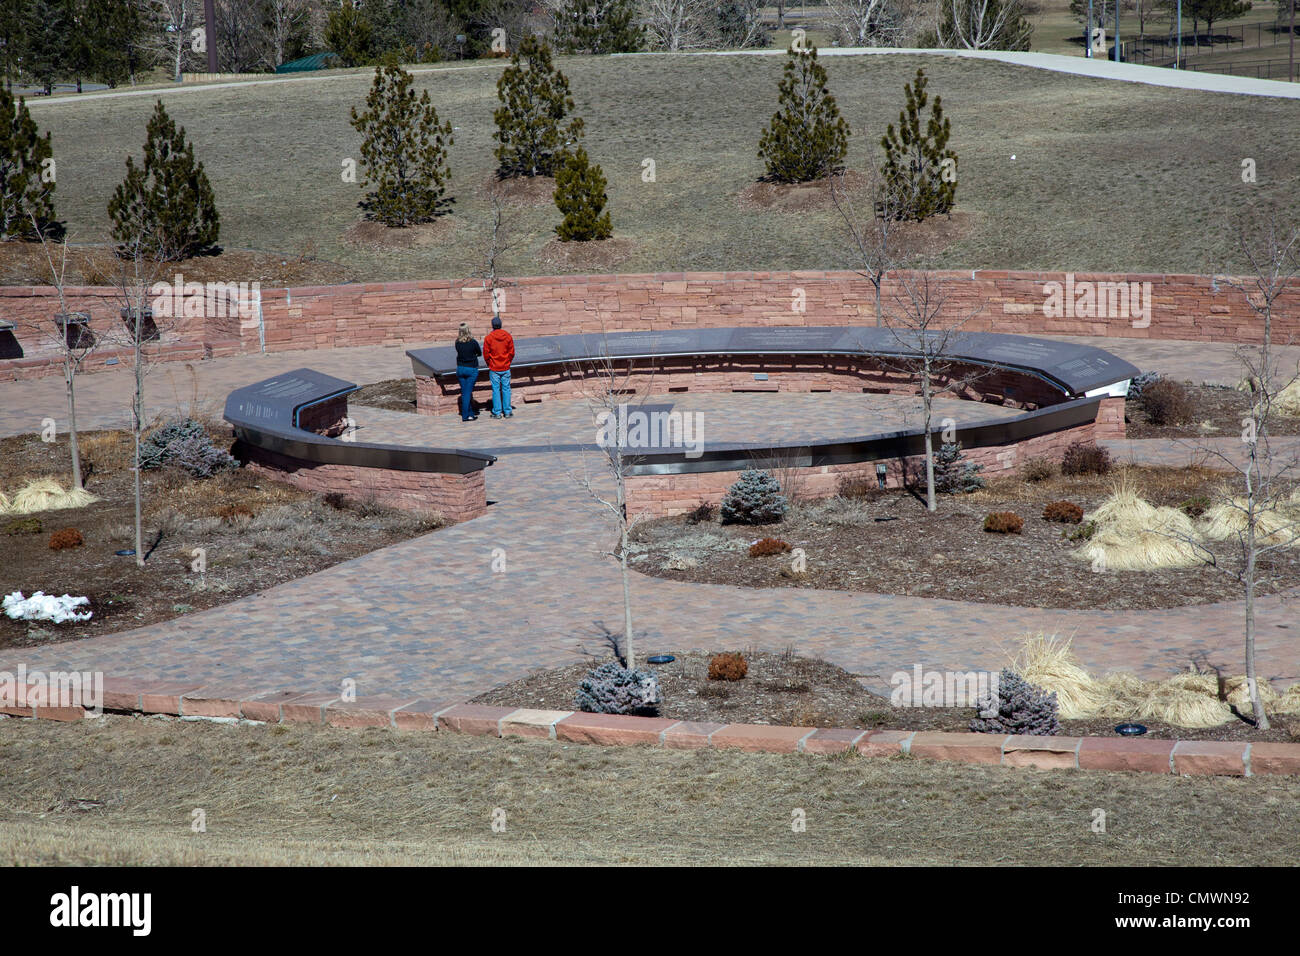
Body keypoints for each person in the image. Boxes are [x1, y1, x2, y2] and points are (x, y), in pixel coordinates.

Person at [483, 314, 515, 419]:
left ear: (492, 326)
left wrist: (490, 363)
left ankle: (497, 412)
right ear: (501, 325)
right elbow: (511, 352)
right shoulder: (508, 336)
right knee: (506, 389)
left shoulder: (489, 338)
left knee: (496, 390)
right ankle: (507, 411)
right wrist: (508, 361)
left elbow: (486, 354)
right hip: (505, 366)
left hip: (494, 367)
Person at [454, 322, 481, 422]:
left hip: (460, 368)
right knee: (467, 393)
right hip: (471, 369)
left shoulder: (457, 342)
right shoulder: (473, 342)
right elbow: (479, 352)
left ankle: (470, 414)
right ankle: (465, 415)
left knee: (465, 392)